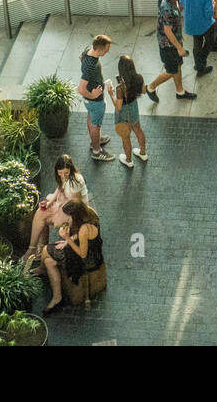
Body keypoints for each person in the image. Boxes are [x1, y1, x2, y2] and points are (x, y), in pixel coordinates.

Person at [39, 201, 103, 314]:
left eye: (68, 218)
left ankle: (43, 271)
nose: (67, 220)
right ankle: (57, 297)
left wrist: (67, 238)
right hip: (85, 248)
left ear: (75, 216)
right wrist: (68, 241)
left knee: (45, 250)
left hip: (87, 259)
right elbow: (80, 235)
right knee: (49, 261)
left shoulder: (84, 229)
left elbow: (83, 254)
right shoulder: (89, 214)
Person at [25, 154, 88, 258]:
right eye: (60, 173)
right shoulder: (65, 177)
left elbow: (75, 205)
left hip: (74, 210)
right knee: (41, 212)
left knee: (43, 218)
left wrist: (57, 209)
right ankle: (32, 248)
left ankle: (40, 249)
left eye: (65, 173)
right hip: (64, 202)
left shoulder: (75, 181)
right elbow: (60, 188)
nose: (63, 176)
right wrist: (50, 202)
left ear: (70, 170)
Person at [146, 0, 194, 101]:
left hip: (174, 41)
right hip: (168, 45)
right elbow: (168, 31)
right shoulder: (166, 7)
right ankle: (151, 87)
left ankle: (180, 92)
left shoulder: (173, 0)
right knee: (171, 71)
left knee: (177, 66)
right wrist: (179, 48)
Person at [78, 34, 114, 162]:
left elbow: (80, 57)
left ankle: (95, 141)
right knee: (96, 126)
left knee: (91, 118)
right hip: (95, 101)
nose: (107, 52)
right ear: (99, 49)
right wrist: (93, 95)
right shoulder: (90, 66)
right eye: (106, 50)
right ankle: (97, 151)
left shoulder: (88, 50)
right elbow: (80, 89)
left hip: (89, 102)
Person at [109, 55, 148, 168]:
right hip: (133, 107)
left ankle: (129, 160)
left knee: (125, 136)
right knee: (138, 130)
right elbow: (144, 91)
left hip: (123, 113)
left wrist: (111, 94)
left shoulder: (120, 88)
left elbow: (118, 106)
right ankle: (143, 153)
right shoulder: (139, 78)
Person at [182, 0, 217, 77]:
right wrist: (213, 4)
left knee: (196, 43)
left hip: (190, 22)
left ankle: (198, 64)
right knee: (210, 42)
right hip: (204, 24)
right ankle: (201, 62)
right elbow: (208, 13)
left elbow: (182, 1)